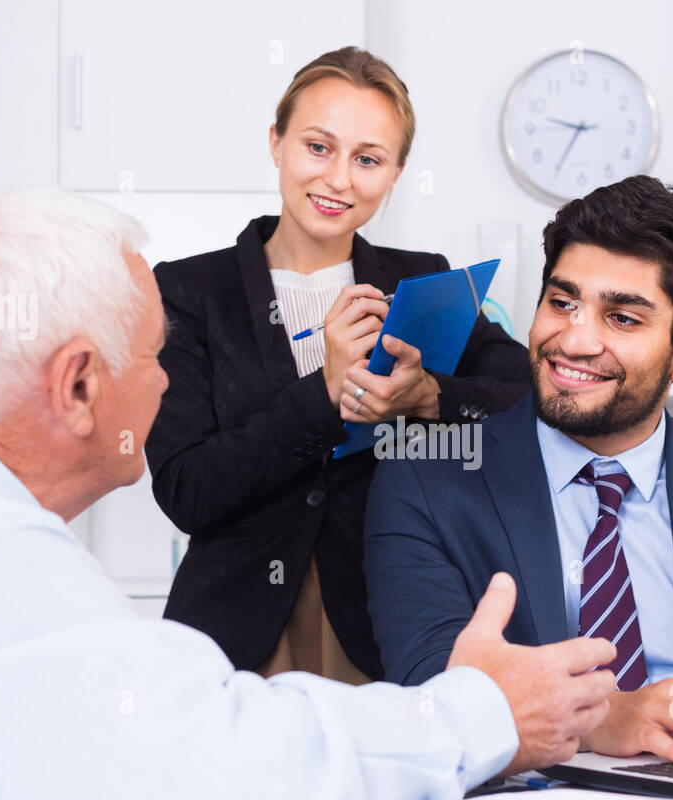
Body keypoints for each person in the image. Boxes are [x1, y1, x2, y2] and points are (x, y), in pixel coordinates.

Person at [0, 190, 615, 800]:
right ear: (77, 385)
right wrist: (482, 712)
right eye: (155, 357)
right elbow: (217, 764)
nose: (171, 380)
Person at [365, 175, 673, 767]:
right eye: (562, 302)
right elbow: (427, 700)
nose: (573, 340)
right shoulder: (426, 479)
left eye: (622, 318)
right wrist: (603, 718)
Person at [145, 47, 530, 684]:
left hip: (391, 621)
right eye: (318, 147)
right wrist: (322, 396)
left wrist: (427, 397)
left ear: (397, 172)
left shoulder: (421, 279)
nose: (339, 179)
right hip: (235, 633)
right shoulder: (190, 292)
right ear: (276, 142)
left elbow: (527, 392)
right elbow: (188, 489)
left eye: (368, 159)